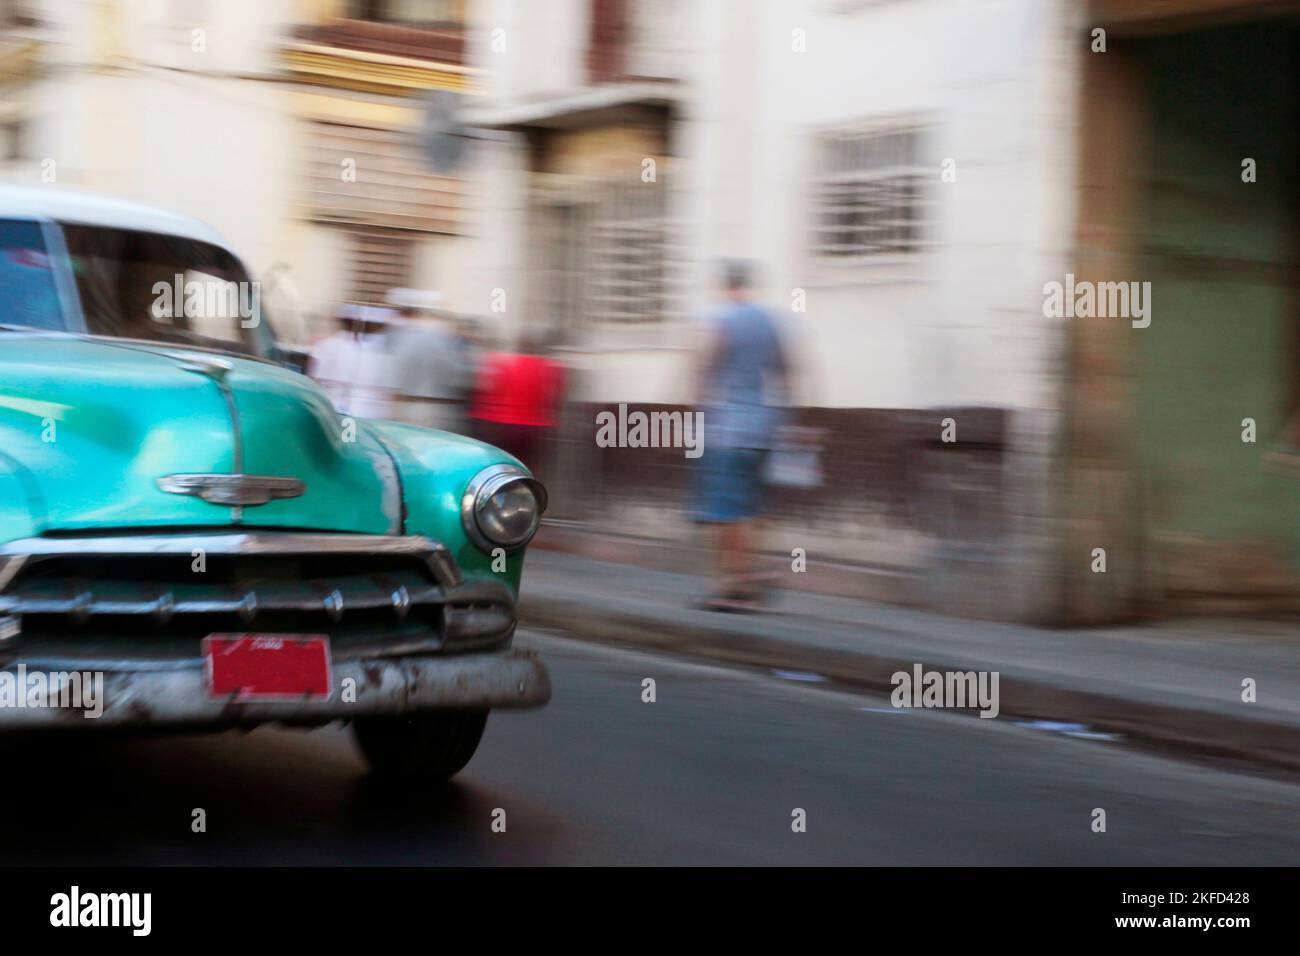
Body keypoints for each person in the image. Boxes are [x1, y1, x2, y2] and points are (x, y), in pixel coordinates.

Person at [691, 261, 789, 612]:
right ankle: (753, 575)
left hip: (729, 430)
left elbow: (707, 366)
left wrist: (695, 408)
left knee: (726, 513)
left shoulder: (724, 320)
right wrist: (787, 418)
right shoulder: (769, 321)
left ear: (726, 287)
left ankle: (736, 586)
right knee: (752, 508)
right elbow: (786, 370)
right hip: (763, 429)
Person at [469, 324, 565, 472]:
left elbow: (483, 388)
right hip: (533, 429)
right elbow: (554, 398)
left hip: (497, 424)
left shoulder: (499, 361)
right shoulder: (549, 367)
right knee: (525, 468)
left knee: (494, 466)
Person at [385, 288, 479, 433]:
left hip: (403, 406)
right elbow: (455, 376)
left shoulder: (398, 337)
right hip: (433, 410)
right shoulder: (439, 339)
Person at [308, 304, 397, 420]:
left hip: (332, 409)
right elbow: (388, 392)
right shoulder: (386, 351)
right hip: (368, 414)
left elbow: (314, 380)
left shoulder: (326, 345)